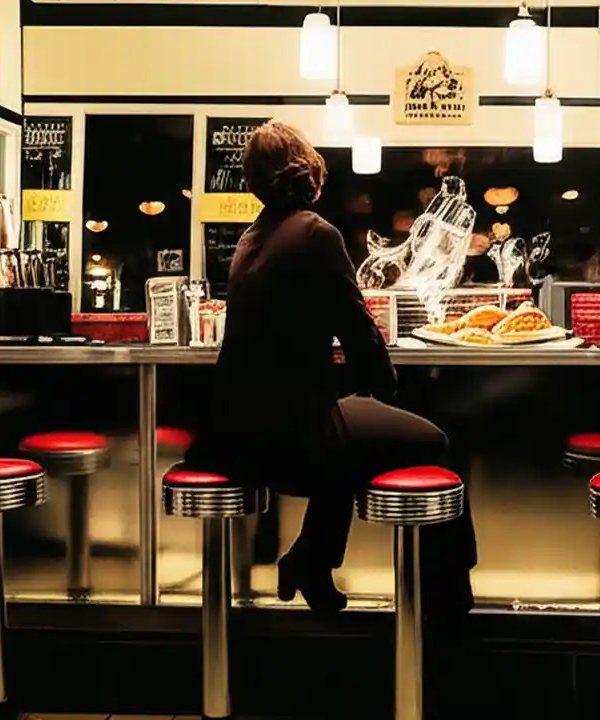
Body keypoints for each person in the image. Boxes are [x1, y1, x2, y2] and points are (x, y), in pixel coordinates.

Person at [185, 121, 477, 616]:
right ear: (309, 171)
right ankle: (444, 602)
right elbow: (358, 329)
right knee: (432, 442)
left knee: (351, 431)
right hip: (293, 439)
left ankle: (312, 560)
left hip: (235, 435)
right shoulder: (317, 233)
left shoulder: (250, 240)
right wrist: (387, 388)